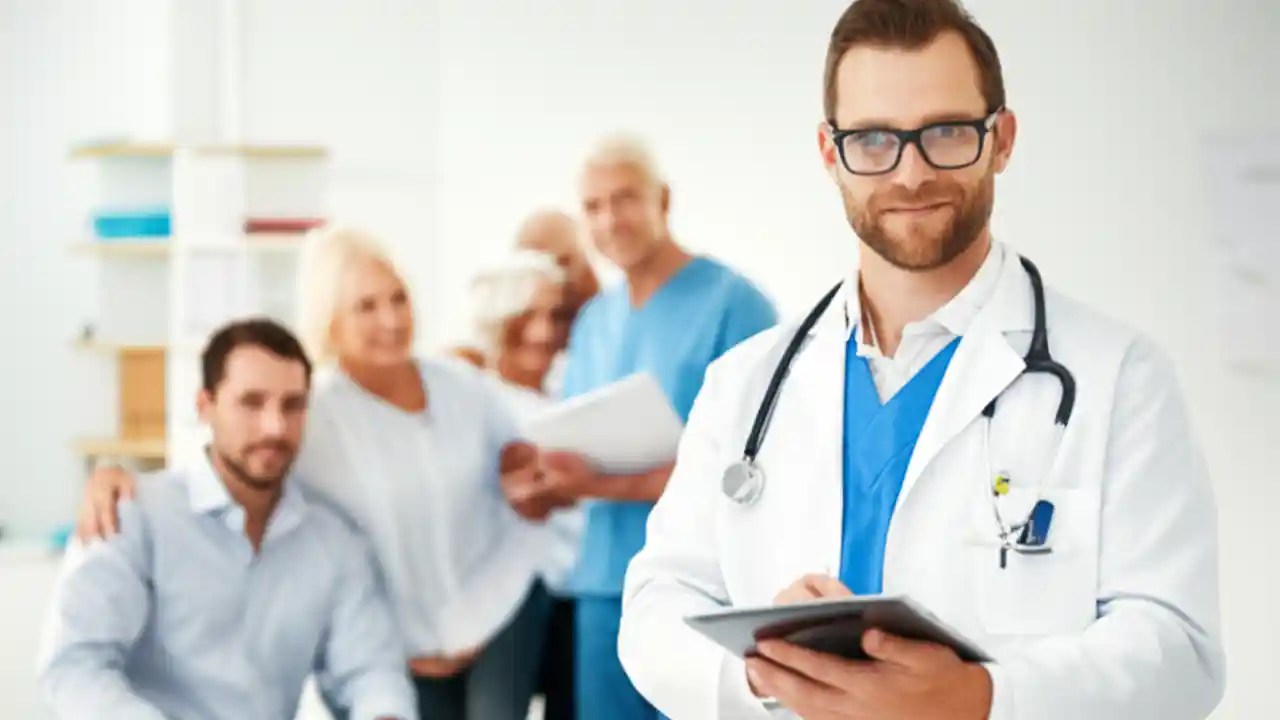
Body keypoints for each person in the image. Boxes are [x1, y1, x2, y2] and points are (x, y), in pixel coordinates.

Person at [616, 1, 1226, 719]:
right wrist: (766, 674)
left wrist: (983, 698)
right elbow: (655, 609)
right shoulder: (745, 384)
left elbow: (1179, 650)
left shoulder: (1119, 377)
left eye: (945, 133)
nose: (910, 173)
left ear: (1001, 139)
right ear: (829, 152)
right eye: (873, 139)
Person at [73, 227, 553, 720]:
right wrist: (114, 475)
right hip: (394, 642)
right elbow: (230, 456)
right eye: (365, 307)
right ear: (330, 320)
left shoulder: (461, 387)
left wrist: (531, 477)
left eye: (398, 298)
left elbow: (536, 442)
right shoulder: (308, 411)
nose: (390, 319)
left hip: (498, 602)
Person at [504, 134, 779, 719]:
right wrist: (544, 485)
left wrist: (594, 485)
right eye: (593, 207)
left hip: (707, 593)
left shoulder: (737, 306)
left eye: (625, 199)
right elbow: (573, 445)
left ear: (664, 200)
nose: (610, 220)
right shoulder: (593, 321)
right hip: (606, 590)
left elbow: (749, 472)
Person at [38, 319, 417, 720]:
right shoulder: (132, 513)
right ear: (205, 406)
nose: (275, 427)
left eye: (292, 405)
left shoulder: (333, 541)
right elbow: (74, 667)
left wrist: (383, 713)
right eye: (251, 403)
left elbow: (372, 671)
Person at [467, 249, 582, 720]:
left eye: (554, 316)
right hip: (506, 601)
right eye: (526, 316)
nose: (544, 332)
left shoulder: (571, 396)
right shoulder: (475, 400)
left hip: (574, 594)